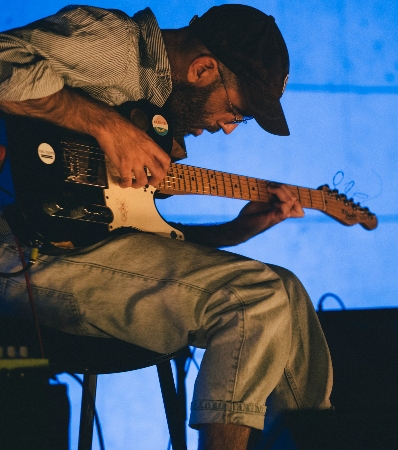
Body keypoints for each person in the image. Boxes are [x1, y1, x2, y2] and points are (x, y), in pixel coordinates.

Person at [0, 4, 332, 449]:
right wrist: (106, 126)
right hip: (23, 249)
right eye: (238, 111)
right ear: (202, 69)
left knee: (287, 291)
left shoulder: (155, 115)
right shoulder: (116, 46)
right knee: (255, 297)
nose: (230, 129)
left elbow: (136, 244)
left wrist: (235, 232)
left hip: (84, 253)